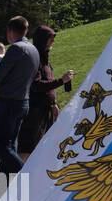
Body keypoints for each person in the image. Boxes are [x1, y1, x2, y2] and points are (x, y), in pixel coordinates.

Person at [0, 16, 40, 201]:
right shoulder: (33, 49)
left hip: (8, 104)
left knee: (1, 148)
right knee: (9, 149)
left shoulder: (16, 49)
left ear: (10, 31)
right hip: (22, 102)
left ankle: (31, 182)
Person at [18, 25, 73, 159]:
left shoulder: (45, 60)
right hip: (34, 112)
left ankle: (34, 178)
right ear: (43, 40)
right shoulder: (34, 59)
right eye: (50, 39)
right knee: (27, 148)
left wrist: (53, 104)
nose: (53, 42)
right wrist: (62, 80)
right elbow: (36, 85)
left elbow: (48, 85)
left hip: (46, 111)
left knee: (42, 148)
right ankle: (19, 178)